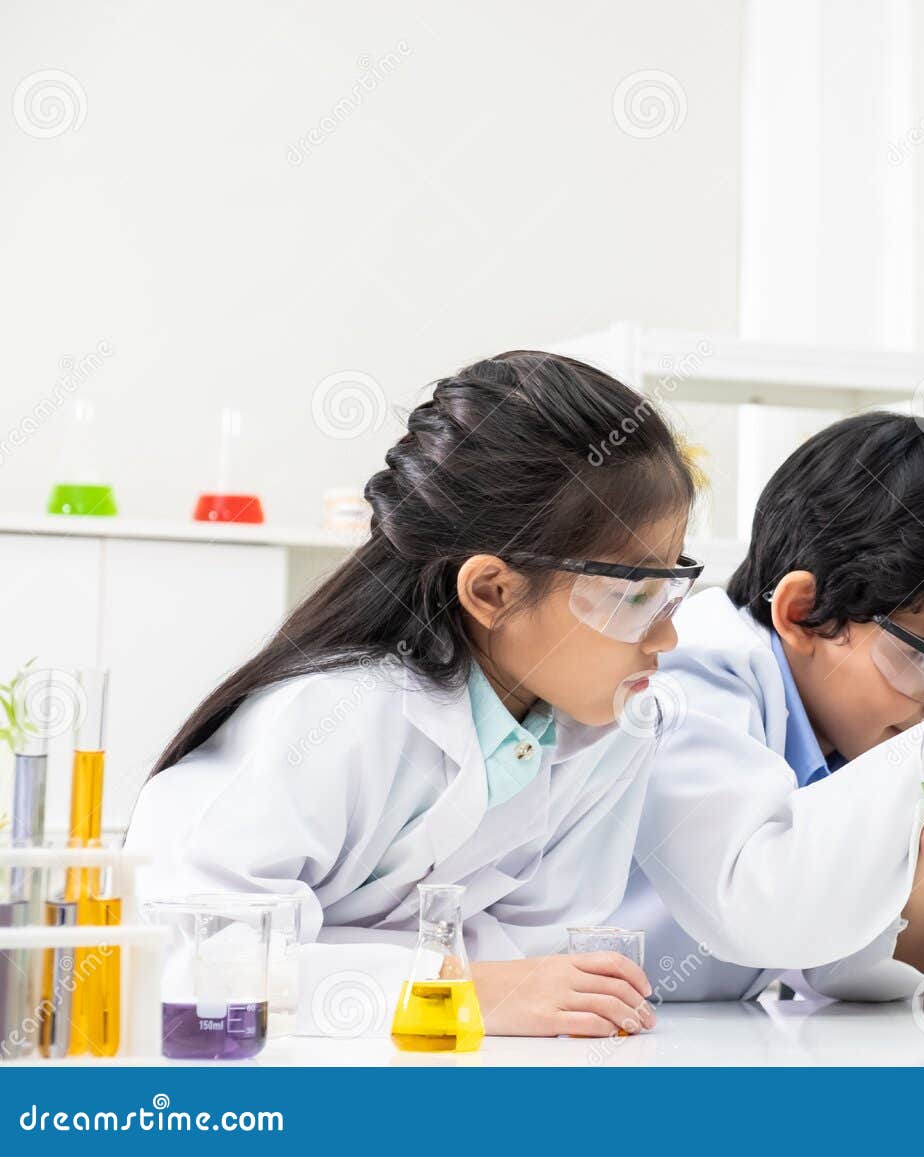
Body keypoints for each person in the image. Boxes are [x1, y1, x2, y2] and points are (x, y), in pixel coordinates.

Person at [127, 351, 701, 1038]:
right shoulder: (334, 715)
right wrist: (462, 988)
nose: (665, 636)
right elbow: (205, 956)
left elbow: (546, 960)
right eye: (633, 595)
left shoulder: (609, 730)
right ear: (493, 591)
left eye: (671, 586)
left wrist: (461, 982)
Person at [609, 412, 924, 1002]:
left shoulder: (857, 727)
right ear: (802, 613)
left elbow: (851, 975)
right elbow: (753, 905)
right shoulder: (694, 674)